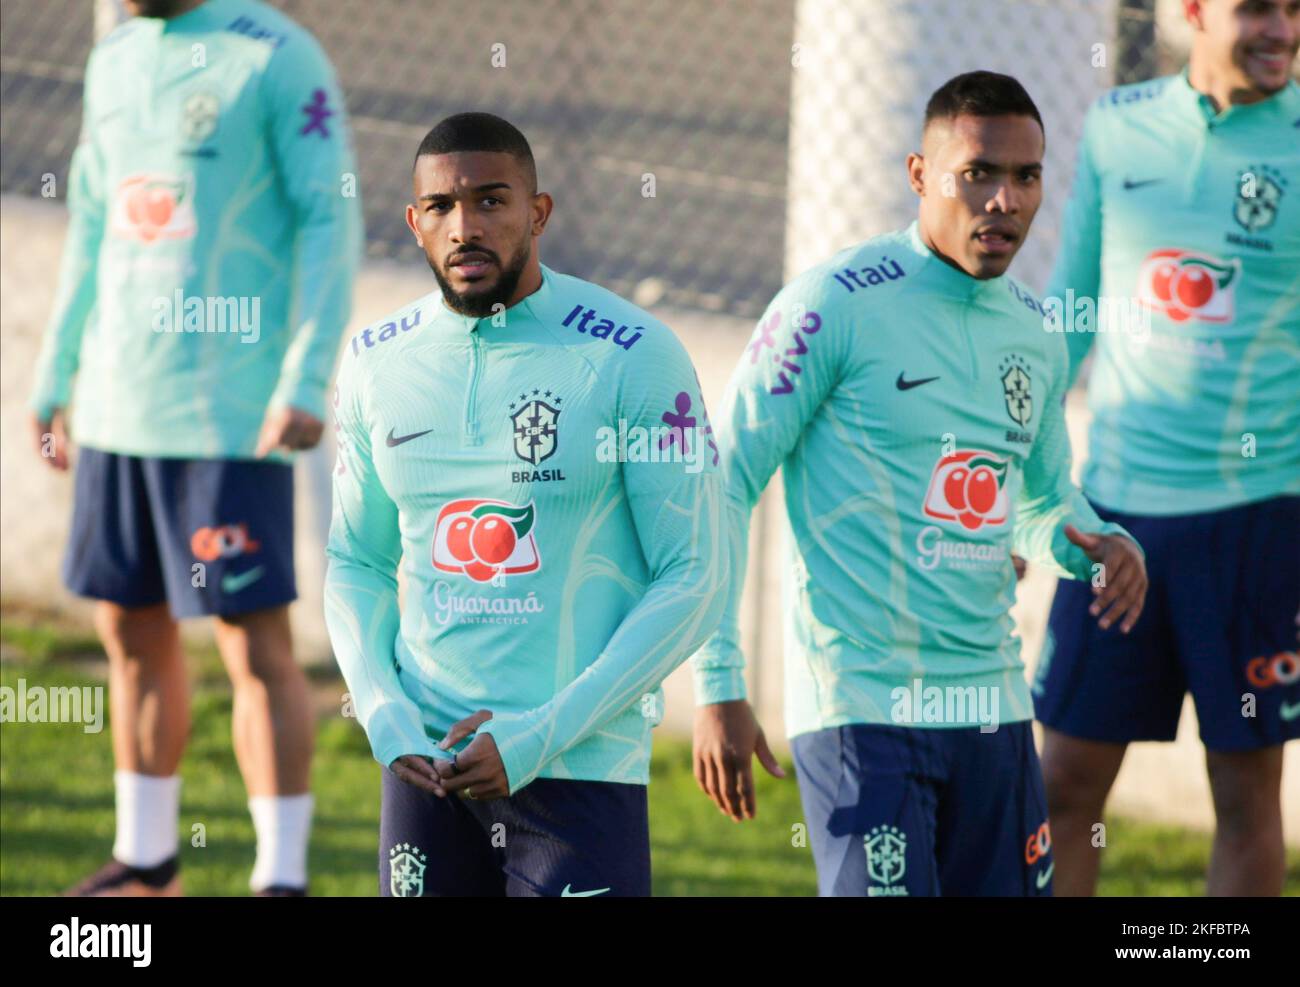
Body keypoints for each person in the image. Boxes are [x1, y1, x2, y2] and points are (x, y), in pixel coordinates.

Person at [690, 72, 1147, 897]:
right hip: (861, 705)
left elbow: (1039, 503)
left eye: (1026, 177)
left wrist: (1101, 546)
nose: (1004, 200)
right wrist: (720, 682)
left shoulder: (1036, 335)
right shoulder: (831, 304)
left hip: (993, 709)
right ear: (919, 174)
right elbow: (725, 479)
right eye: (977, 173)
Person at [323, 112, 725, 897]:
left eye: (491, 201)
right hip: (426, 770)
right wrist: (381, 708)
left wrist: (543, 731)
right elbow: (357, 559)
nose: (464, 226)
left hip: (581, 770)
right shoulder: (377, 363)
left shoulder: (632, 356)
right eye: (439, 207)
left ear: (537, 213)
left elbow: (696, 574)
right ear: (413, 222)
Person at [28, 0, 362, 896]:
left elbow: (332, 221)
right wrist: (54, 373)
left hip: (231, 417)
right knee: (127, 631)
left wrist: (303, 378)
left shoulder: (277, 57)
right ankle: (148, 862)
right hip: (117, 407)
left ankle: (279, 879)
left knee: (252, 646)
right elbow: (93, 224)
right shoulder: (116, 57)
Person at [1034, 0, 1299, 896]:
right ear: (1191, 9)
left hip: (1259, 520)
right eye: (1259, 8)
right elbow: (1069, 311)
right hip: (1113, 517)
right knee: (1064, 780)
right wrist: (1013, 473)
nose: (1282, 31)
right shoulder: (1119, 126)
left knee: (1245, 789)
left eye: (1296, 10)